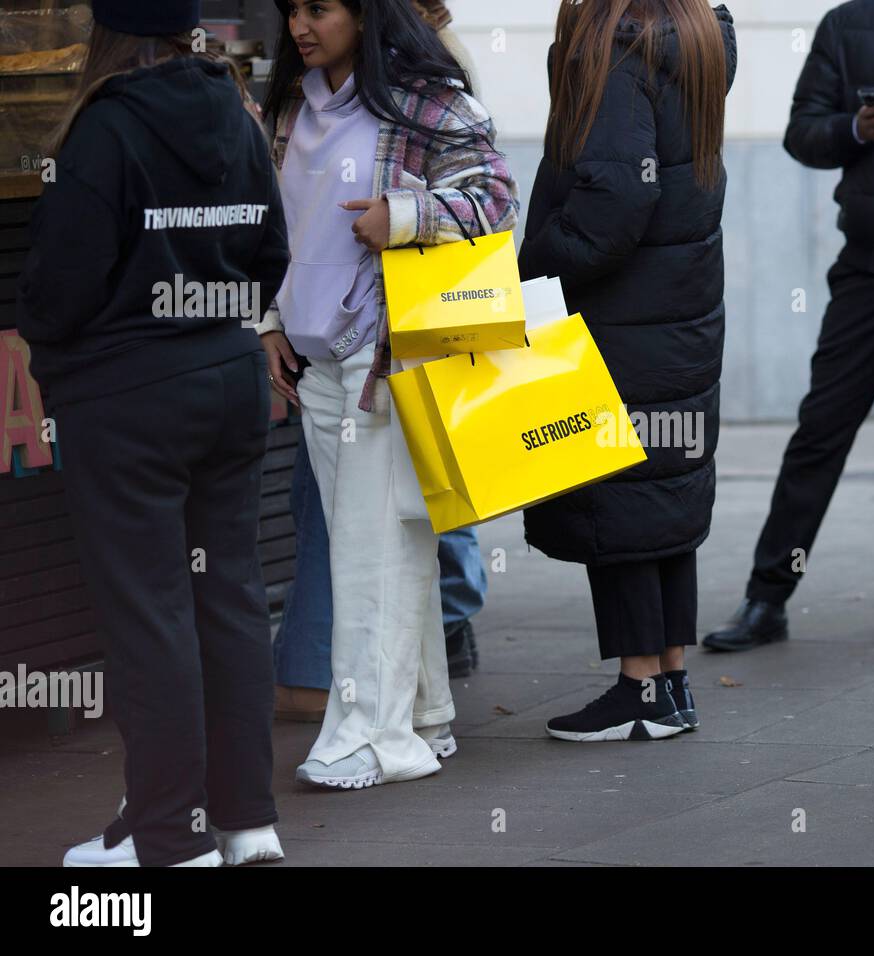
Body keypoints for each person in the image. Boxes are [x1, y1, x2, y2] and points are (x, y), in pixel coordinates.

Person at [18, 0, 289, 866]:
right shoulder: (237, 113)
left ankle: (170, 839)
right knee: (231, 603)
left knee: (151, 617)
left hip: (128, 398)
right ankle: (246, 823)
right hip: (228, 382)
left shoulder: (103, 130)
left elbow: (57, 289)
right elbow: (270, 253)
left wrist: (68, 358)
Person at [257, 0, 517, 787]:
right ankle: (425, 717)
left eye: (320, 8)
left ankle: (370, 738)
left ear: (365, 15)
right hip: (314, 360)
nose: (301, 24)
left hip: (387, 356)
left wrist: (402, 215)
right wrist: (269, 321)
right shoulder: (294, 105)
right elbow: (283, 229)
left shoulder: (426, 98)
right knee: (379, 545)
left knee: (371, 553)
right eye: (291, 9)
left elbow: (499, 201)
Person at [700, 0, 874, 653]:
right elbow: (802, 134)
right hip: (865, 271)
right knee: (819, 434)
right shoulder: (845, 24)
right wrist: (856, 130)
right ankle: (766, 597)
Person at [518, 0, 736, 741]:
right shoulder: (695, 39)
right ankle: (669, 680)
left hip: (620, 317)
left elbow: (616, 196)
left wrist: (535, 263)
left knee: (618, 499)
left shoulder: (616, 48)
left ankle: (639, 689)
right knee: (660, 494)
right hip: (678, 315)